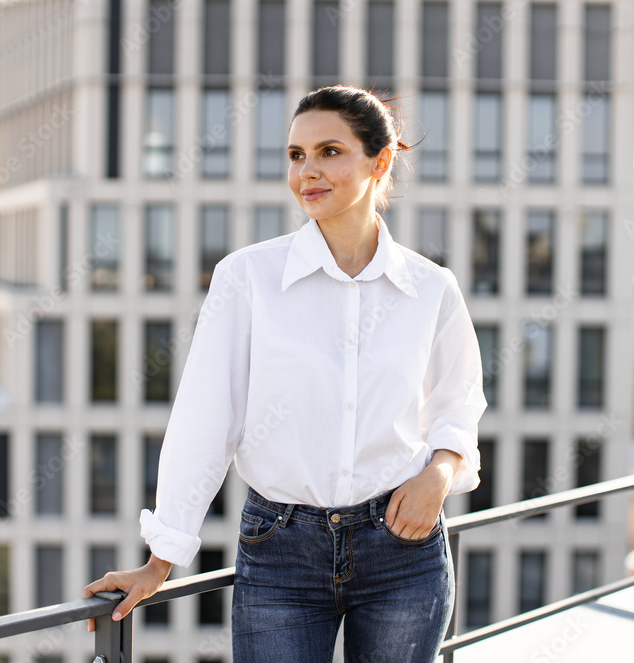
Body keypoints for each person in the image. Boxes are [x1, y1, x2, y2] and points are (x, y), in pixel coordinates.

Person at [84, 85, 487, 662]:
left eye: (329, 152)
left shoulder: (431, 289)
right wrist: (161, 559)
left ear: (381, 161)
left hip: (404, 548)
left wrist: (441, 473)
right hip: (280, 551)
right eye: (296, 155)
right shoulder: (247, 278)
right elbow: (206, 420)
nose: (307, 173)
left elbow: (459, 401)